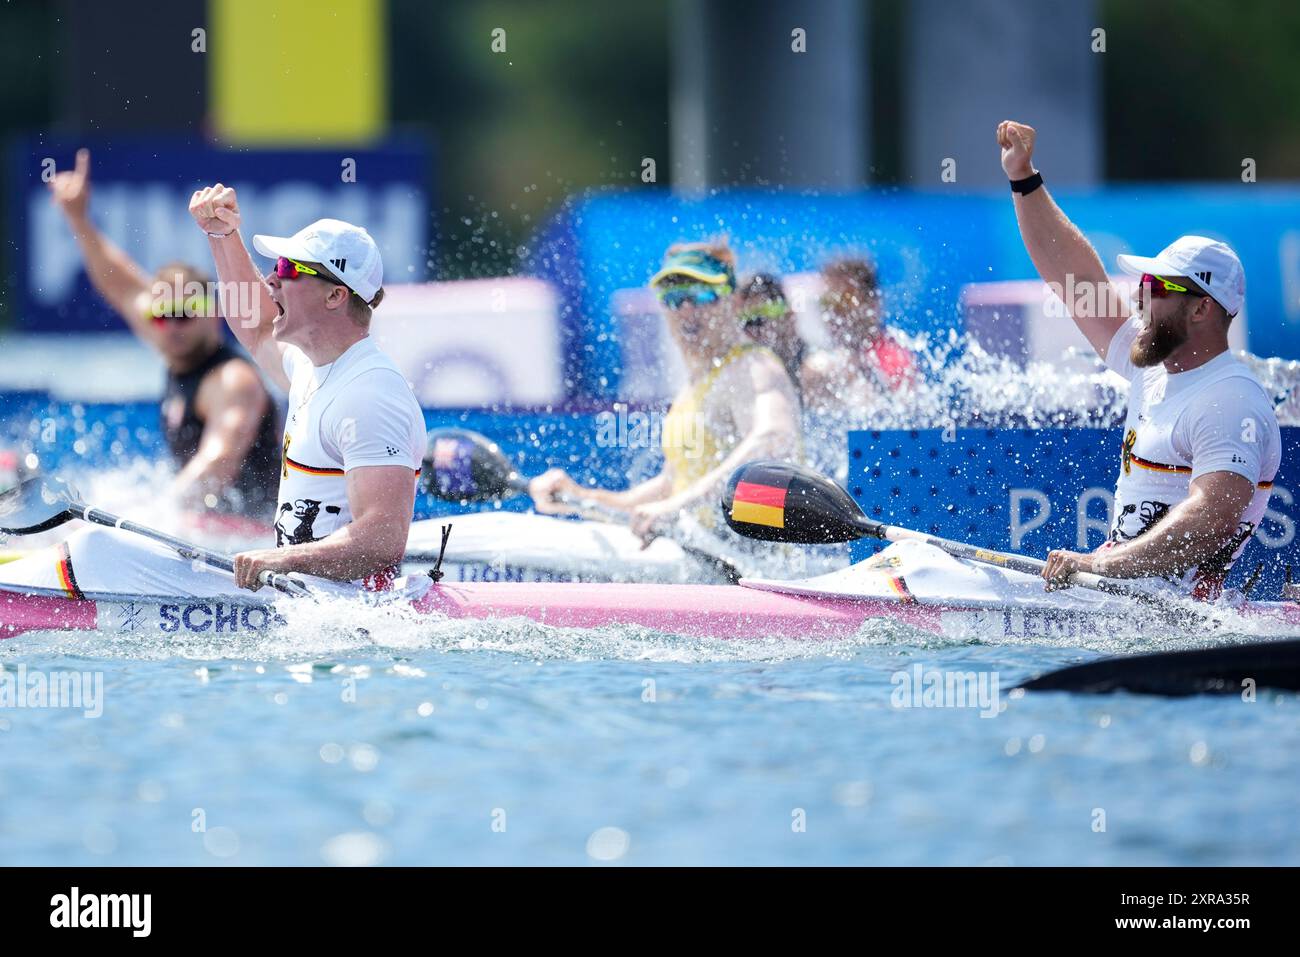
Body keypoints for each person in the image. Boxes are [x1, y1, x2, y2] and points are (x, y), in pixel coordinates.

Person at [997, 120, 1281, 598]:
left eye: (1155, 287)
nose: (1139, 296)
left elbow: (1212, 519)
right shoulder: (1150, 367)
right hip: (1123, 604)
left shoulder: (1229, 400)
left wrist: (1099, 566)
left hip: (1175, 626)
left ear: (1201, 307)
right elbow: (1075, 277)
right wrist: (1023, 178)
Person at [188, 185, 427, 591]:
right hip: (304, 602)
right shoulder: (312, 368)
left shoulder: (370, 394)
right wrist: (222, 236)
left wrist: (278, 559)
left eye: (288, 270)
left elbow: (383, 541)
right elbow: (256, 326)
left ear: (335, 295)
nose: (271, 280)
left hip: (350, 621)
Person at [47, 148, 280, 519]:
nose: (171, 325)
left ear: (214, 314)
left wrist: (156, 516)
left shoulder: (234, 381)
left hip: (247, 531)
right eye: (163, 315)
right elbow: (119, 282)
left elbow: (221, 458)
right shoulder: (170, 333)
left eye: (185, 314)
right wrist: (77, 218)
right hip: (200, 524)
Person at [529, 241, 801, 541]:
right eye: (674, 298)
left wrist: (677, 505)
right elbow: (670, 487)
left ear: (732, 303)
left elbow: (774, 441)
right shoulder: (690, 391)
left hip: (745, 562)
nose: (687, 310)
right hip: (700, 549)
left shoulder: (755, 366)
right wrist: (579, 498)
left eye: (701, 295)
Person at [802, 257, 918, 416]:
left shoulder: (892, 358)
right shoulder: (819, 357)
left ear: (872, 303)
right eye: (828, 301)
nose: (835, 310)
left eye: (846, 299)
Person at [735, 272, 808, 402]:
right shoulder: (746, 374)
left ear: (789, 317)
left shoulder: (814, 371)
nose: (753, 332)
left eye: (759, 320)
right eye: (745, 323)